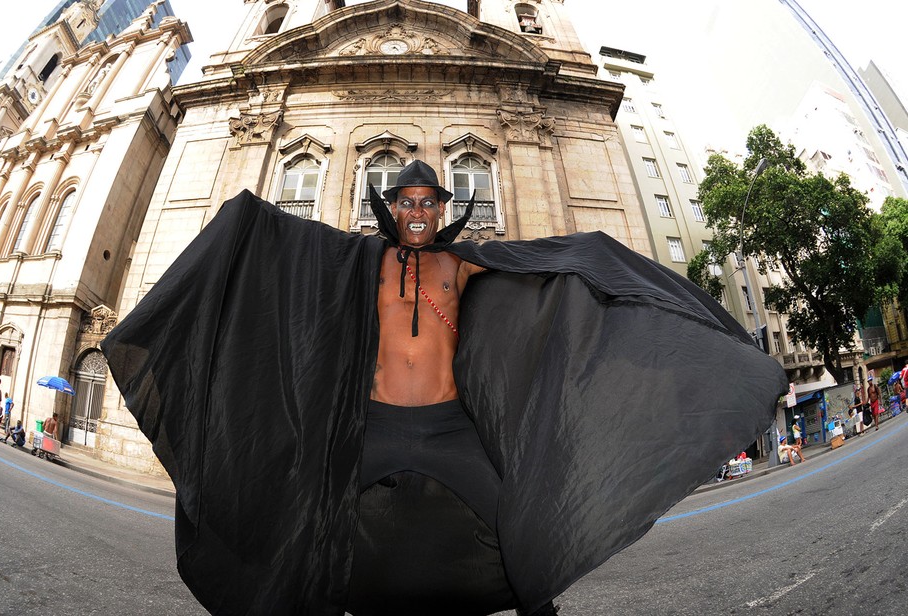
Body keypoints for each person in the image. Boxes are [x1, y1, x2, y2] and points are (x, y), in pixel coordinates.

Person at [101, 159, 787, 615]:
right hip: (368, 421)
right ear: (391, 208)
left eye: (430, 202)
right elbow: (282, 244)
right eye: (408, 201)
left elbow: (550, 268)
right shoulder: (356, 258)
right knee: (312, 521)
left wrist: (606, 268)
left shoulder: (465, 265)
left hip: (446, 425)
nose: (420, 211)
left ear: (441, 210)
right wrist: (245, 219)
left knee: (519, 524)